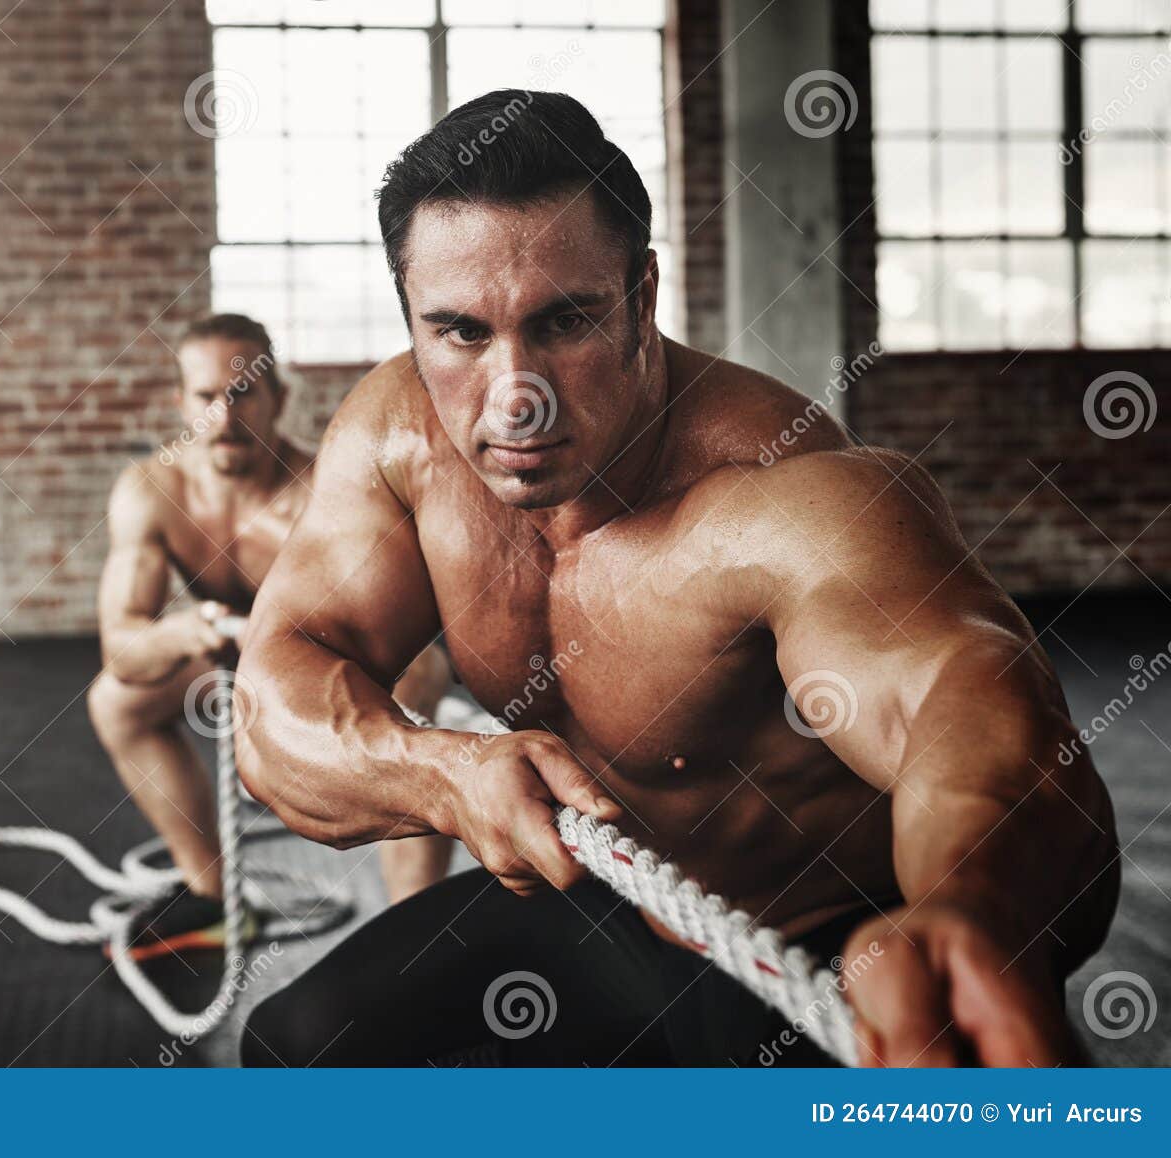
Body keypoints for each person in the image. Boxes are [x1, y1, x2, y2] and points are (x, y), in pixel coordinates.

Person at [233, 91, 1120, 1067]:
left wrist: (973, 900)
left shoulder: (781, 494)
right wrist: (442, 775)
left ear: (642, 298)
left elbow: (961, 693)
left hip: (824, 939)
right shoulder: (398, 440)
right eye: (461, 333)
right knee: (294, 1045)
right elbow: (275, 694)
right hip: (618, 899)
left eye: (566, 321)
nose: (517, 398)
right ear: (411, 318)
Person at [87, 313, 454, 962]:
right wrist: (190, 631)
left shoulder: (322, 492)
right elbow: (123, 647)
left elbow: (394, 635)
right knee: (116, 701)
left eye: (242, 394)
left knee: (421, 678)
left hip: (318, 653)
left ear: (278, 398)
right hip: (224, 652)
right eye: (206, 396)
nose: (224, 417)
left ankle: (416, 928)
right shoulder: (151, 491)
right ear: (181, 402)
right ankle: (212, 896)